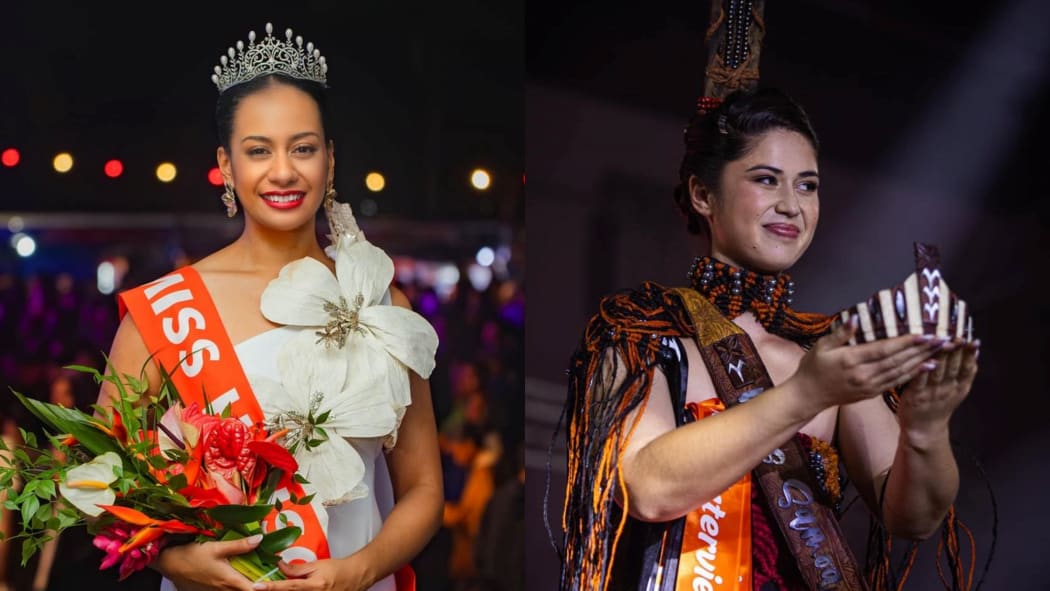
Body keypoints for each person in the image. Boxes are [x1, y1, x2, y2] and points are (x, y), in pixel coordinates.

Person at [556, 86, 981, 591]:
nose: (791, 205)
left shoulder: (825, 356)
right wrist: (806, 394)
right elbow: (649, 489)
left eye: (807, 186)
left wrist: (925, 430)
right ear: (703, 195)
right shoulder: (640, 336)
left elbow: (914, 520)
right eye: (766, 179)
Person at [95, 22, 443, 591]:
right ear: (227, 164)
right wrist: (176, 563)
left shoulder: (381, 305)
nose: (283, 171)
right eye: (258, 151)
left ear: (330, 160)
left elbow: (424, 490)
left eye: (303, 148)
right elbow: (102, 480)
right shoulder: (164, 311)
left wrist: (354, 572)